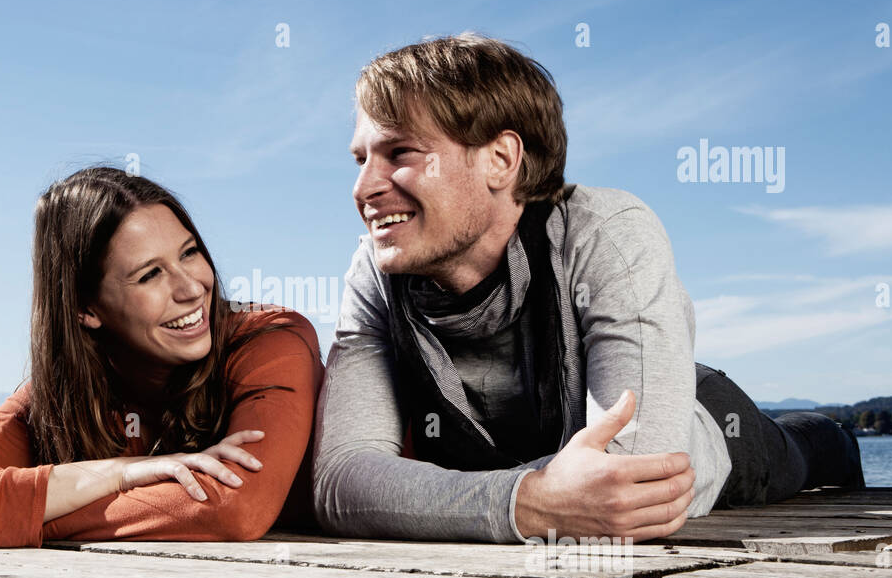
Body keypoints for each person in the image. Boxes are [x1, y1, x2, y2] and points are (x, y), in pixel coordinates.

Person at [313, 32, 863, 545]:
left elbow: (624, 482)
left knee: (807, 450)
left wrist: (421, 493)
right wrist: (525, 502)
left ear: (501, 160)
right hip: (575, 425)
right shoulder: (376, 273)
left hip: (712, 425)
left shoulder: (608, 231)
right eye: (361, 159)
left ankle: (833, 435)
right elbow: (340, 482)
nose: (363, 188)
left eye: (400, 153)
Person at [0, 166, 321, 548]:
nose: (191, 288)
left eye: (189, 253)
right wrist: (120, 472)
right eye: (149, 274)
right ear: (85, 309)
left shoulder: (271, 339)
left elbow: (235, 507)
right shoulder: (58, 397)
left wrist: (24, 516)